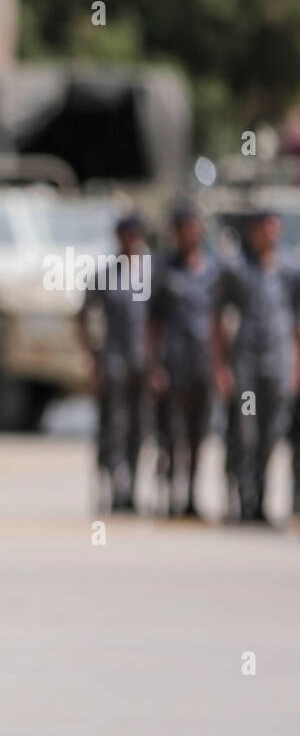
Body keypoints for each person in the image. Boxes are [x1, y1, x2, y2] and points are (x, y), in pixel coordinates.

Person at [213, 209, 300, 525]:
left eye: (274, 227)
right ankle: (245, 500)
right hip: (247, 367)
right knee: (246, 432)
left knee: (271, 433)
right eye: (265, 227)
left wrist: (296, 369)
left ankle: (261, 499)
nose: (271, 233)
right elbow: (217, 319)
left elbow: (296, 327)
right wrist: (221, 367)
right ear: (253, 231)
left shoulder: (290, 269)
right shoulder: (237, 268)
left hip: (277, 366)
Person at [147, 207, 219, 519]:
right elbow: (153, 325)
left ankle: (191, 496)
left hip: (202, 364)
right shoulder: (164, 272)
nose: (187, 235)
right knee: (171, 434)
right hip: (173, 364)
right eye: (181, 229)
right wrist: (154, 367)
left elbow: (219, 323)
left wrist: (221, 366)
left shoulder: (214, 272)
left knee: (197, 434)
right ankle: (170, 496)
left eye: (191, 228)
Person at [78, 214, 149, 513]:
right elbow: (83, 316)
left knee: (138, 427)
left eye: (136, 234)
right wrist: (93, 357)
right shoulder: (106, 274)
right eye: (126, 235)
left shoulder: (149, 273)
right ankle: (109, 489)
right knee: (111, 428)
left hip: (141, 363)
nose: (131, 241)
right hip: (113, 362)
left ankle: (131, 489)